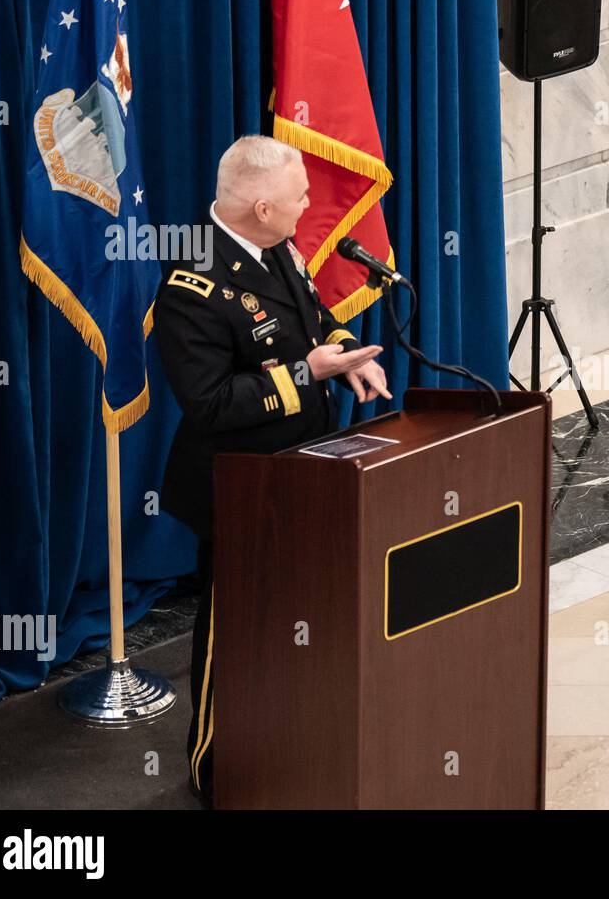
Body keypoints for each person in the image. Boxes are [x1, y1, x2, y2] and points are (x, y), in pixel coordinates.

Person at [155, 135, 390, 802]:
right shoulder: (191, 281)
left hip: (304, 469)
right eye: (299, 197)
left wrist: (346, 356)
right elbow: (209, 402)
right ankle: (216, 761)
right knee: (237, 633)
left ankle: (295, 739)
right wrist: (306, 372)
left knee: (302, 619)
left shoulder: (275, 247)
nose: (310, 205)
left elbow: (312, 322)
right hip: (241, 487)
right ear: (261, 206)